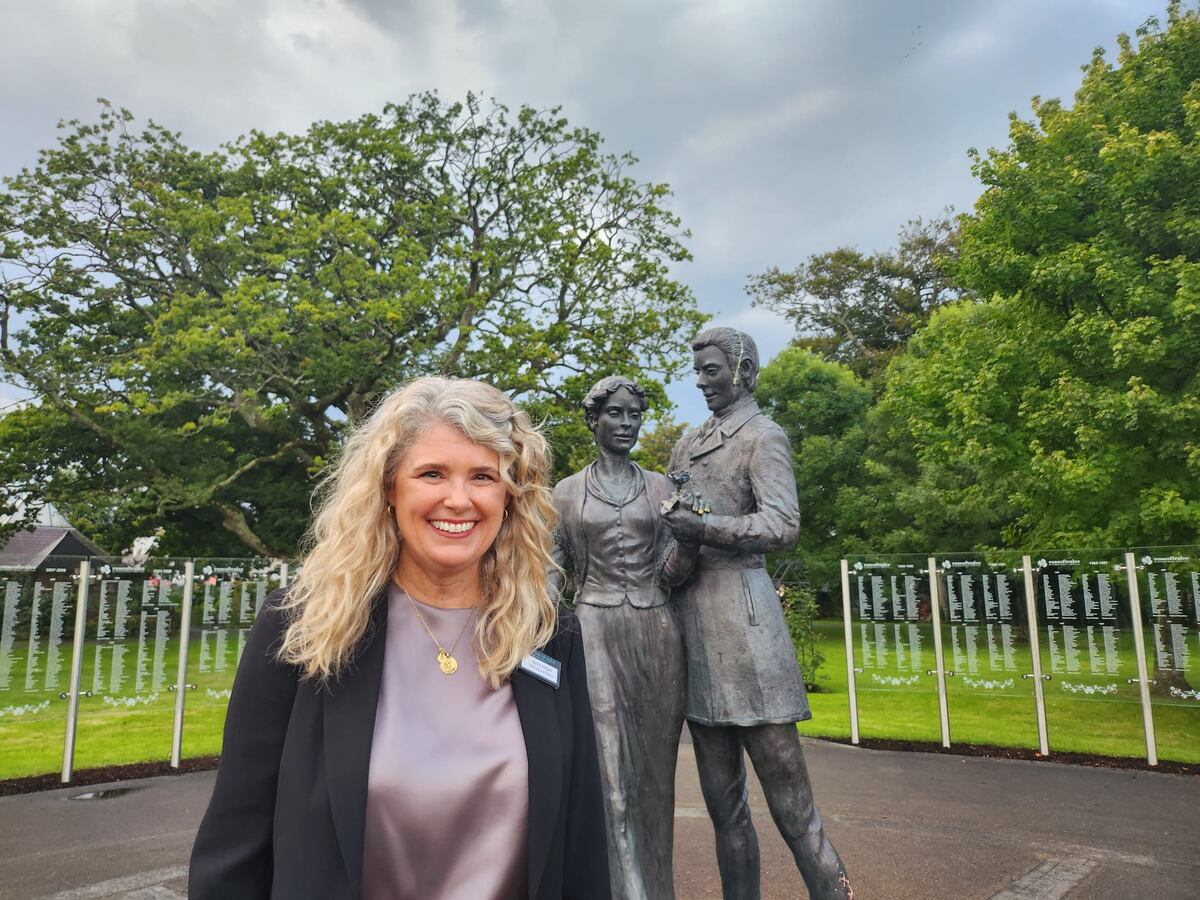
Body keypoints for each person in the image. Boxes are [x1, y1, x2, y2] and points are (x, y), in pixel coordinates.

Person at [189, 376, 611, 900]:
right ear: (389, 488)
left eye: (483, 476)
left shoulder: (548, 633)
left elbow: (582, 840)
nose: (458, 500)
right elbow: (234, 846)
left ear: (511, 496)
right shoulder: (304, 629)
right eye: (432, 473)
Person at [662, 328, 852, 900]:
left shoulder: (763, 437)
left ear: (744, 371)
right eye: (696, 372)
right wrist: (684, 544)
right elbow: (673, 555)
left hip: (749, 631)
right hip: (696, 631)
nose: (701, 383)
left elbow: (782, 525)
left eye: (712, 371)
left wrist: (706, 528)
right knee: (726, 810)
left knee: (795, 811)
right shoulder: (687, 445)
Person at [548, 375, 687, 900]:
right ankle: (626, 891)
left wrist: (691, 536)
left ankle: (658, 889)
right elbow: (549, 571)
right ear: (594, 420)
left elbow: (673, 571)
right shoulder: (565, 493)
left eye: (634, 415)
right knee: (611, 777)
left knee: (656, 780)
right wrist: (539, 627)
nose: (626, 423)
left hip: (656, 631)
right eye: (616, 414)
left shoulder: (662, 487)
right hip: (594, 630)